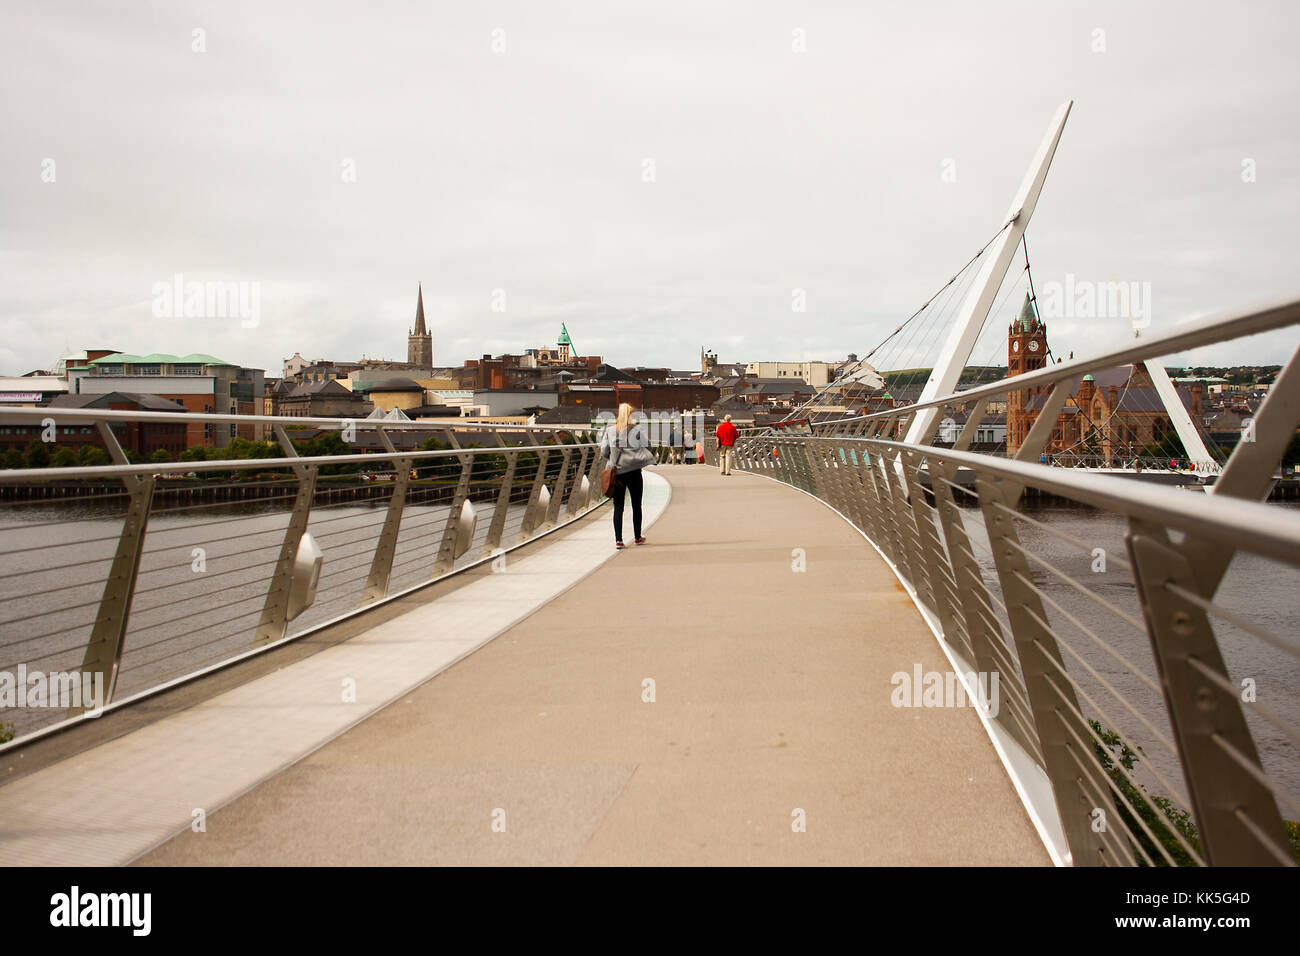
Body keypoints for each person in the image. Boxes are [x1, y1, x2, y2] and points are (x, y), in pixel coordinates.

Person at [600, 403, 655, 548]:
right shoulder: (637, 429)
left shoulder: (610, 430)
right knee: (637, 505)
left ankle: (619, 540)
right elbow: (648, 446)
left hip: (618, 473)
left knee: (618, 506)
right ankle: (637, 537)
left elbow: (604, 452)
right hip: (634, 471)